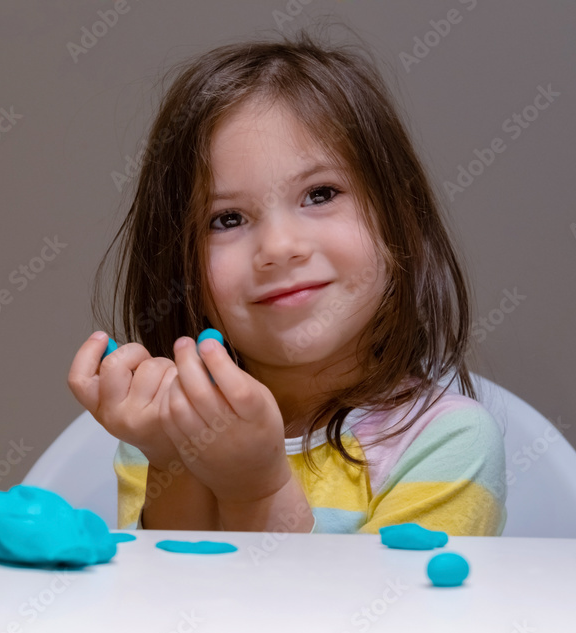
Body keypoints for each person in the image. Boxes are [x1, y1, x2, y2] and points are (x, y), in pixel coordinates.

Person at [67, 24, 507, 535]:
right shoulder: (160, 431)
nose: (278, 248)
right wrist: (176, 464)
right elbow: (166, 609)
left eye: (320, 194)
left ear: (399, 220)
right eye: (227, 219)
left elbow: (375, 616)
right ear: (183, 272)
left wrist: (258, 490)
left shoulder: (449, 441)